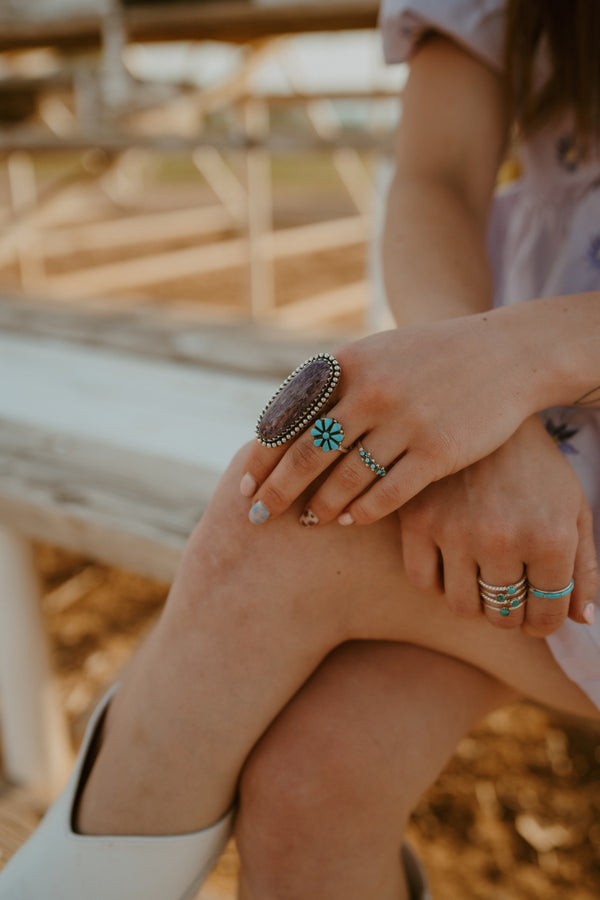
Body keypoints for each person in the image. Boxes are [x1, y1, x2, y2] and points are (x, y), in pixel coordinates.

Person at [1, 1, 600, 898]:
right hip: (540, 404)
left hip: (546, 374)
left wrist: (517, 362)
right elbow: (435, 179)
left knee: (284, 519)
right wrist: (484, 413)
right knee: (315, 782)